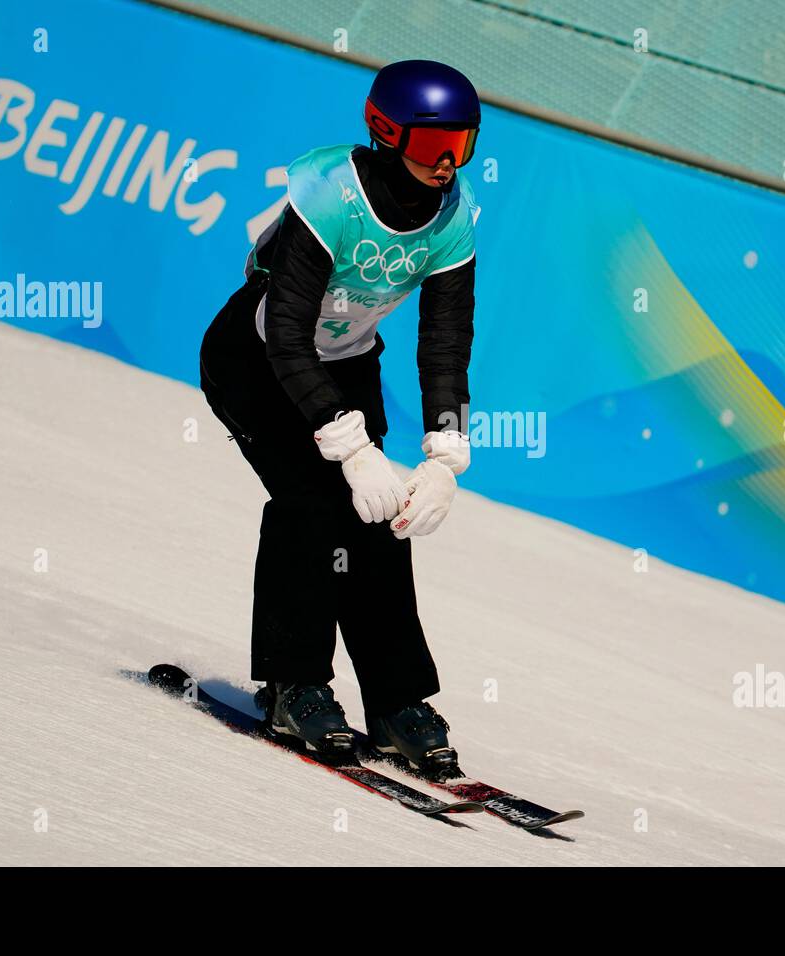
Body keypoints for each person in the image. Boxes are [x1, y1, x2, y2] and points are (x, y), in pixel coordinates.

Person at [198, 60, 480, 775]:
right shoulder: (330, 194)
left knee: (380, 515)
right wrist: (348, 444)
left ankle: (396, 703)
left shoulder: (452, 216)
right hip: (256, 359)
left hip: (346, 361)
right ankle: (294, 684)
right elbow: (286, 332)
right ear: (387, 133)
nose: (446, 164)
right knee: (311, 503)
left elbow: (444, 340)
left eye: (462, 144)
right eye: (430, 146)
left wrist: (445, 455)